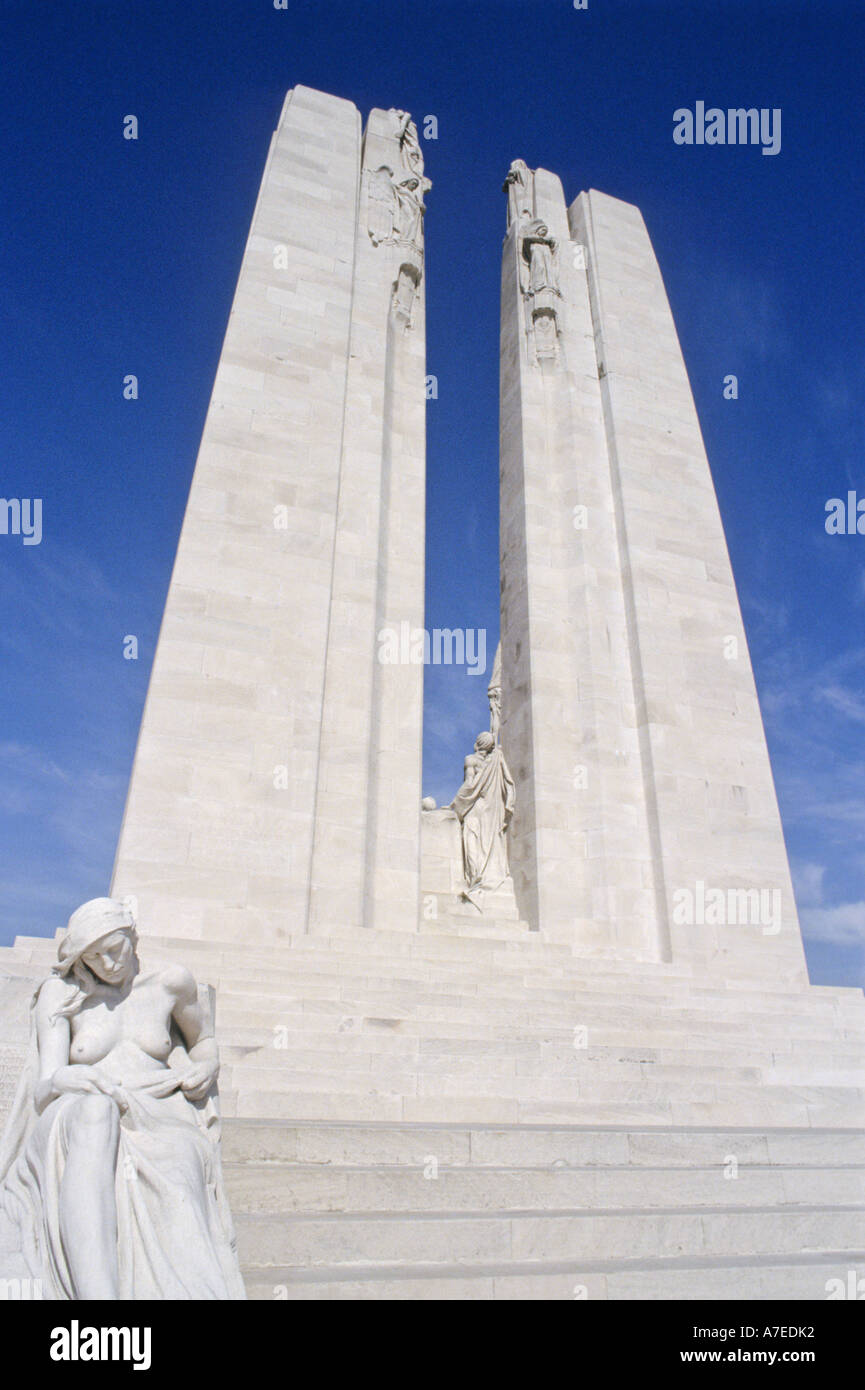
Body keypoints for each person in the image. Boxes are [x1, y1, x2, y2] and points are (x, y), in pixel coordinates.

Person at [0, 896, 245, 1299]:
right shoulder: (61, 993)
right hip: (77, 1107)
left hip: (158, 1112)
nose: (109, 964)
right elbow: (44, 1084)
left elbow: (204, 1041)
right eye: (95, 957)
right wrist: (68, 1077)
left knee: (181, 1162)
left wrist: (206, 1066)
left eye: (115, 950)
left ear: (133, 936)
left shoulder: (170, 983)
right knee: (96, 1114)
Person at [451, 732, 516, 911]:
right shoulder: (495, 761)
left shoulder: (470, 760)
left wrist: (456, 804)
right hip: (491, 810)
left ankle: (476, 881)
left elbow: (469, 785)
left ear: (476, 744)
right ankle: (478, 881)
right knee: (484, 843)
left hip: (476, 807)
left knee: (472, 841)